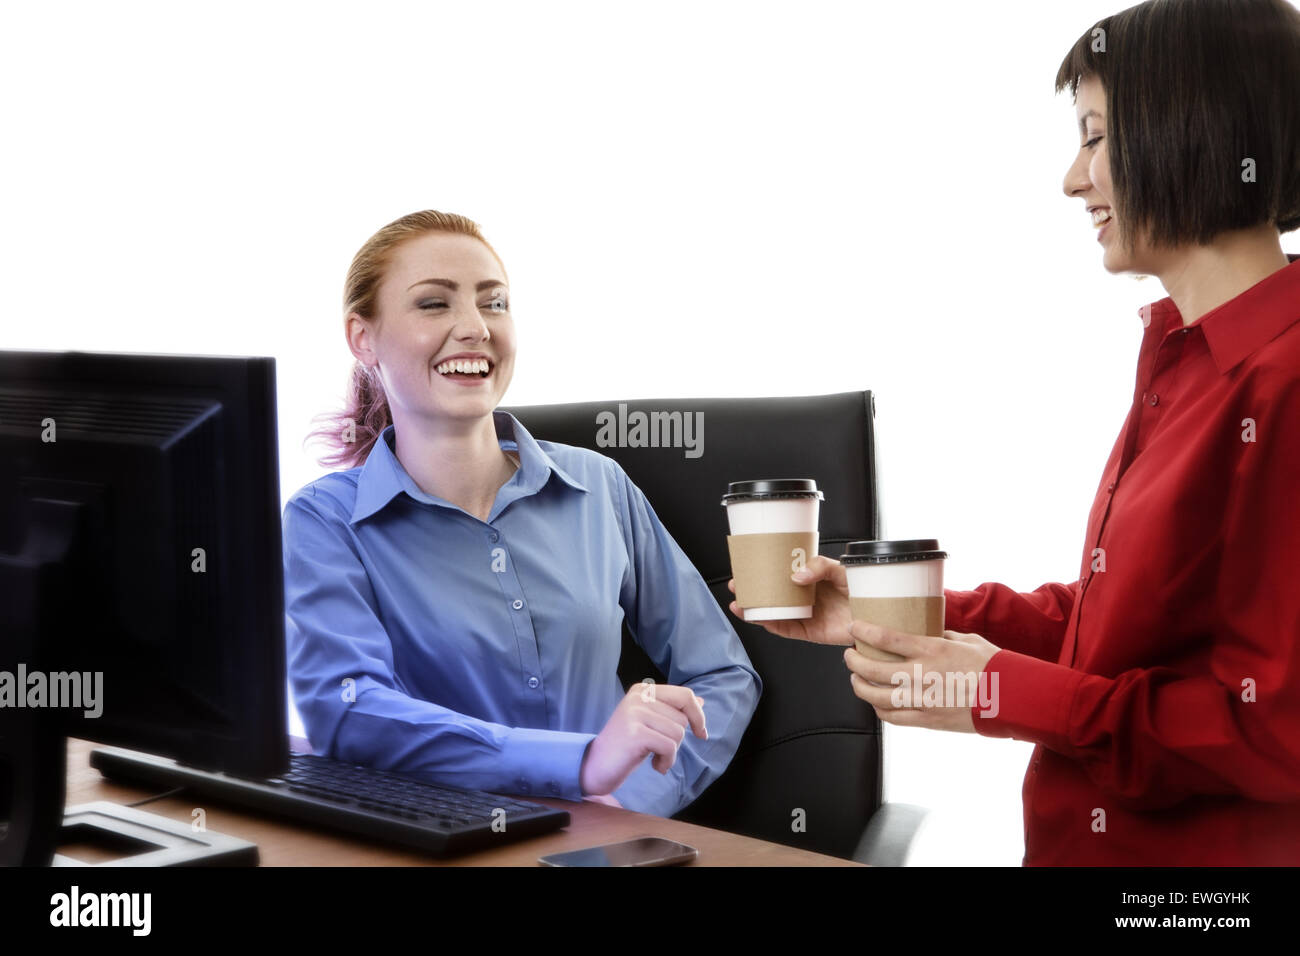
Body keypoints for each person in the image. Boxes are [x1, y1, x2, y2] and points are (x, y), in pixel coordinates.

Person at [731, 0, 1300, 865]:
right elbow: (1121, 626)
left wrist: (999, 692)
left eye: (1097, 137)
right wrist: (904, 616)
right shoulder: (1183, 361)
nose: (1073, 179)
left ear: (1198, 128)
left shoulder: (1284, 384)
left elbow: (1271, 732)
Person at [283, 210, 761, 817]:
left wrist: (626, 795)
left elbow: (721, 675)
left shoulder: (598, 486)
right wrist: (580, 763)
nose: (475, 327)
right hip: (441, 848)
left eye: (495, 303)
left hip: (609, 842)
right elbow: (348, 711)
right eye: (433, 304)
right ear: (363, 337)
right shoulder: (325, 523)